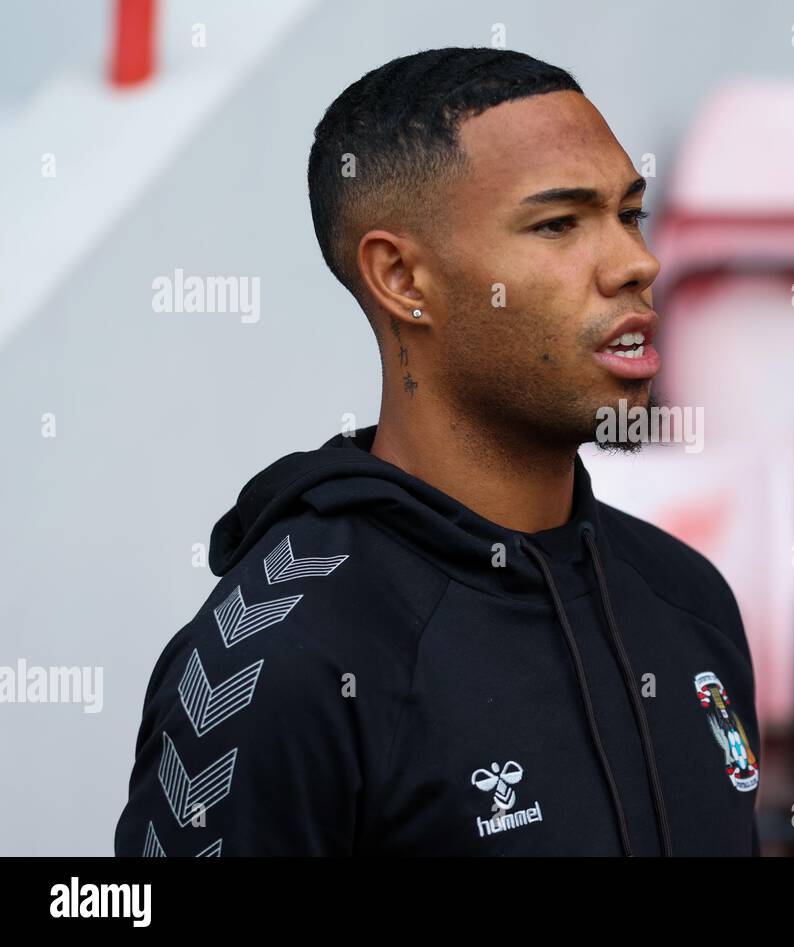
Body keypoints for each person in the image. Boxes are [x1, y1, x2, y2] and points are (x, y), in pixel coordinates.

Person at [114, 46, 761, 856]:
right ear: (402, 278)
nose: (639, 263)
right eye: (558, 223)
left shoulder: (687, 597)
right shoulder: (284, 655)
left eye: (629, 214)